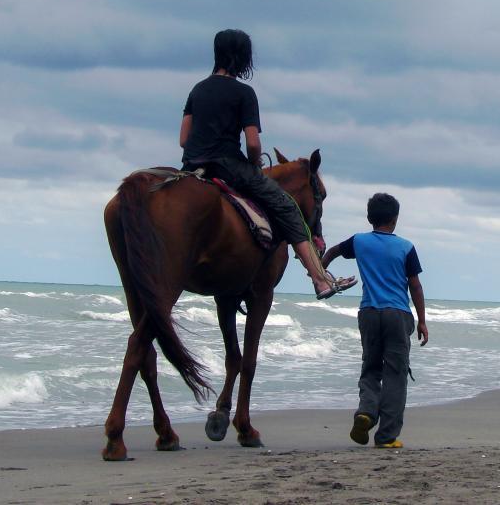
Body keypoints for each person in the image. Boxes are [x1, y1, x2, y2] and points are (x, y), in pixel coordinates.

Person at [179, 29, 355, 300]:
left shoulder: (197, 90)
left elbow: (183, 139)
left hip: (191, 166)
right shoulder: (244, 93)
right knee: (287, 207)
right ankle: (320, 280)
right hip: (228, 166)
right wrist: (253, 163)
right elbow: (252, 143)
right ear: (242, 57)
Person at [321, 192, 428, 449]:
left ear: (369, 217)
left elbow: (333, 252)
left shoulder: (359, 242)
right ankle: (386, 436)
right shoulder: (405, 247)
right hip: (398, 314)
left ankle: (366, 412)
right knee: (395, 374)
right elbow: (415, 286)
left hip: (369, 312)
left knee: (370, 368)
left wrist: (321, 273)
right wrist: (422, 320)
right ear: (395, 219)